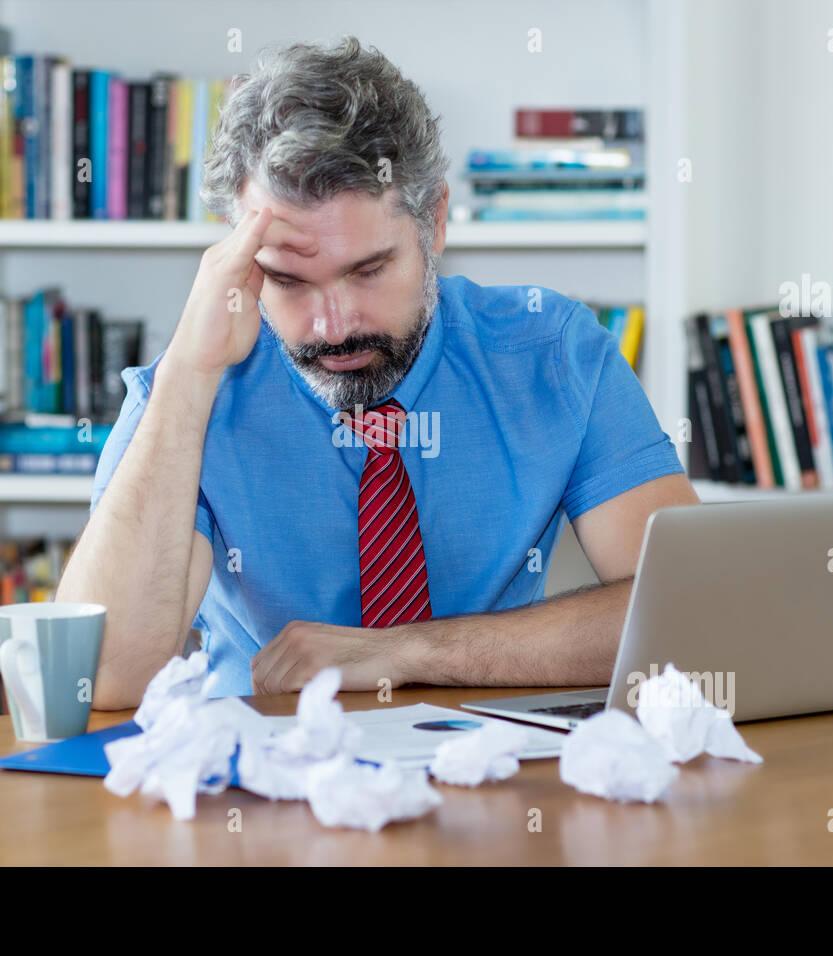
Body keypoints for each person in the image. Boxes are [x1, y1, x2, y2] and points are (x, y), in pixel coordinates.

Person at [54, 35, 700, 708]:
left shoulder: (551, 355)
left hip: (495, 758)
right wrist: (190, 374)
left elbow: (690, 614)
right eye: (287, 280)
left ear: (435, 223)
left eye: (368, 272)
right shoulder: (191, 388)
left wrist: (411, 651)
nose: (334, 326)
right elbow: (103, 676)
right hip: (260, 762)